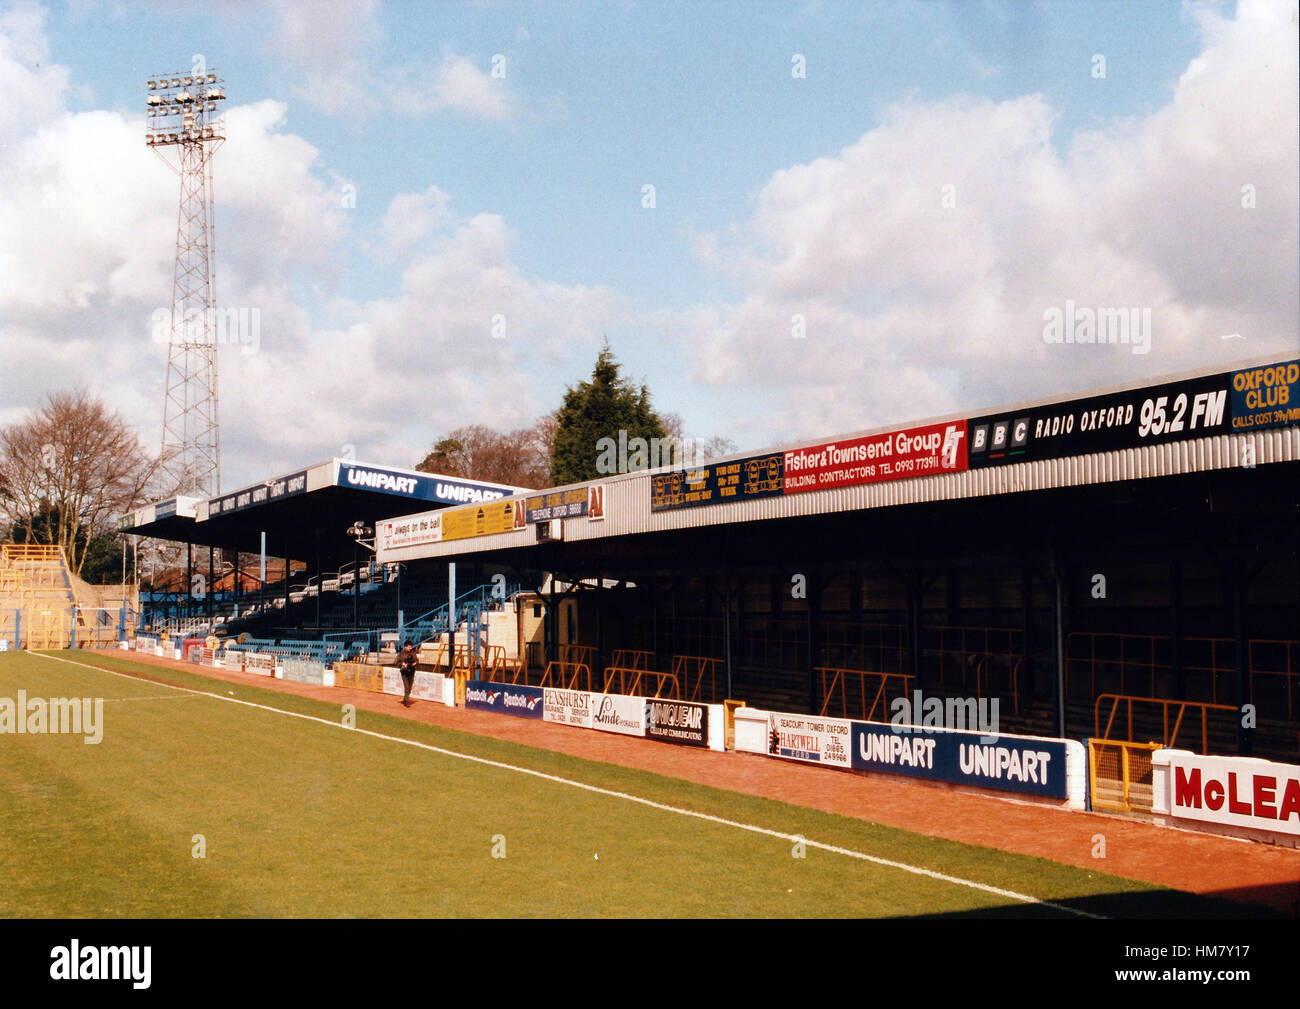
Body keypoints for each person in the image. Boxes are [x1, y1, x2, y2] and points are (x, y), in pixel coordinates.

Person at [398, 641, 418, 707]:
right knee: (407, 687)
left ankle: (405, 699)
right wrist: (403, 664)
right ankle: (407, 701)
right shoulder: (401, 654)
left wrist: (413, 664)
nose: (410, 648)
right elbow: (397, 662)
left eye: (410, 647)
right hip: (404, 672)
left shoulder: (413, 653)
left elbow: (416, 660)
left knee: (409, 687)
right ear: (405, 647)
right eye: (409, 647)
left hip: (411, 672)